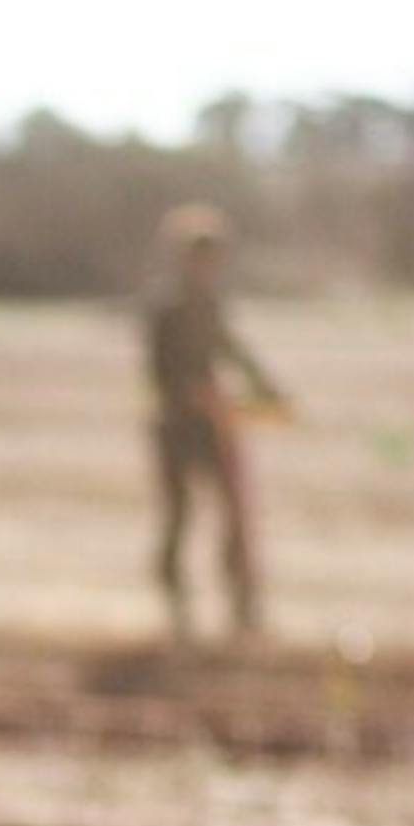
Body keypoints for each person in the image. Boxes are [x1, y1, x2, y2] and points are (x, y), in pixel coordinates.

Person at [141, 202, 288, 643]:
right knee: (180, 516)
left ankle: (242, 608)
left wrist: (267, 388)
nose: (208, 265)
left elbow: (232, 351)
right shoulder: (165, 309)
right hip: (175, 429)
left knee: (234, 515)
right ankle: (177, 605)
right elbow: (160, 373)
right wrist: (195, 395)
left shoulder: (212, 305)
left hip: (212, 425)